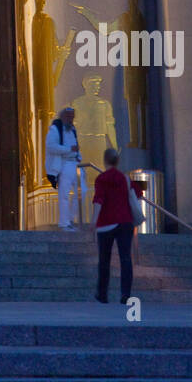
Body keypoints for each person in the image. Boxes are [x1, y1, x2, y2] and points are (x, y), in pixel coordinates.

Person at [91, 147, 136, 304]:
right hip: (125, 221)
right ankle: (125, 294)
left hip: (106, 223)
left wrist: (94, 221)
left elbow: (99, 200)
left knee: (104, 259)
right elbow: (136, 193)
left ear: (104, 161)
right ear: (117, 161)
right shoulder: (125, 178)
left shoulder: (102, 179)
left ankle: (102, 294)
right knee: (125, 258)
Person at [45, 105, 80, 230]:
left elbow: (76, 145)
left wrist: (77, 155)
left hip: (75, 164)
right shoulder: (55, 129)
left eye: (72, 117)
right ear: (63, 117)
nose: (71, 119)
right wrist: (68, 150)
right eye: (68, 117)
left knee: (82, 192)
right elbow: (51, 147)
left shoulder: (73, 129)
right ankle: (64, 223)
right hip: (64, 164)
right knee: (64, 194)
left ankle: (71, 219)